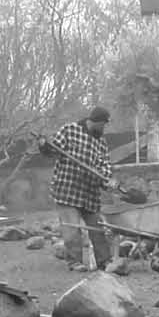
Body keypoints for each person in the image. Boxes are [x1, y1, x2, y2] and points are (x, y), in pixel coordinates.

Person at [46, 106, 118, 269]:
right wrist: (45, 145)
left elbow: (104, 164)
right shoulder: (69, 130)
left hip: (90, 194)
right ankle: (75, 262)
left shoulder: (101, 142)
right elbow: (52, 150)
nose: (104, 128)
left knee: (97, 228)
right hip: (67, 190)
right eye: (103, 125)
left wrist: (106, 178)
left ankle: (104, 262)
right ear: (95, 121)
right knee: (72, 230)